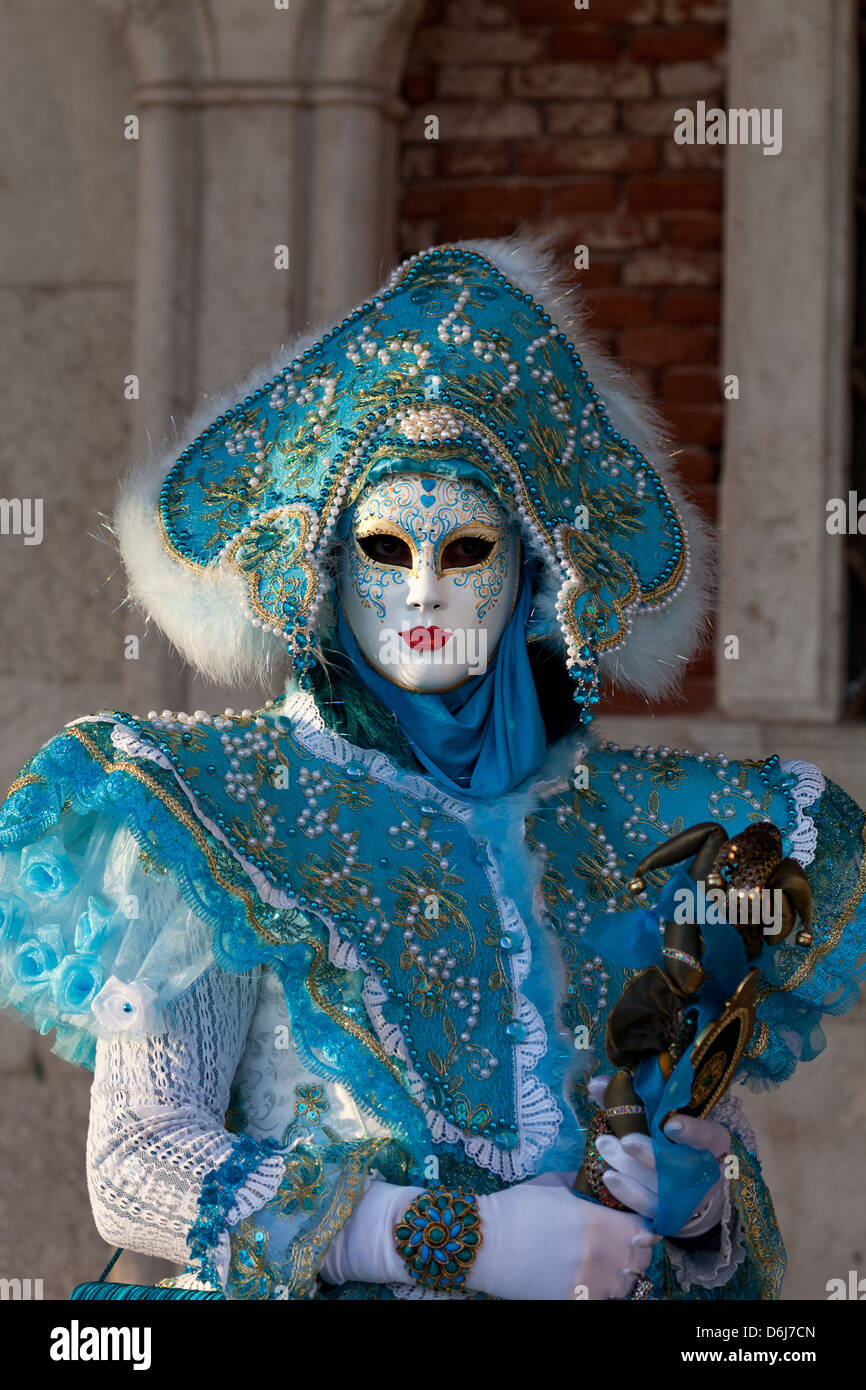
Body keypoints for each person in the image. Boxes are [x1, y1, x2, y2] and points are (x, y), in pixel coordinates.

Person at [0, 238, 863, 1300]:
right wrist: (448, 1240)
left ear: (531, 575)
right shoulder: (215, 806)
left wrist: (695, 1206)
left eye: (463, 551)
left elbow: (707, 1156)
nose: (421, 594)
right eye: (381, 550)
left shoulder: (628, 831)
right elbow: (136, 1166)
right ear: (323, 570)